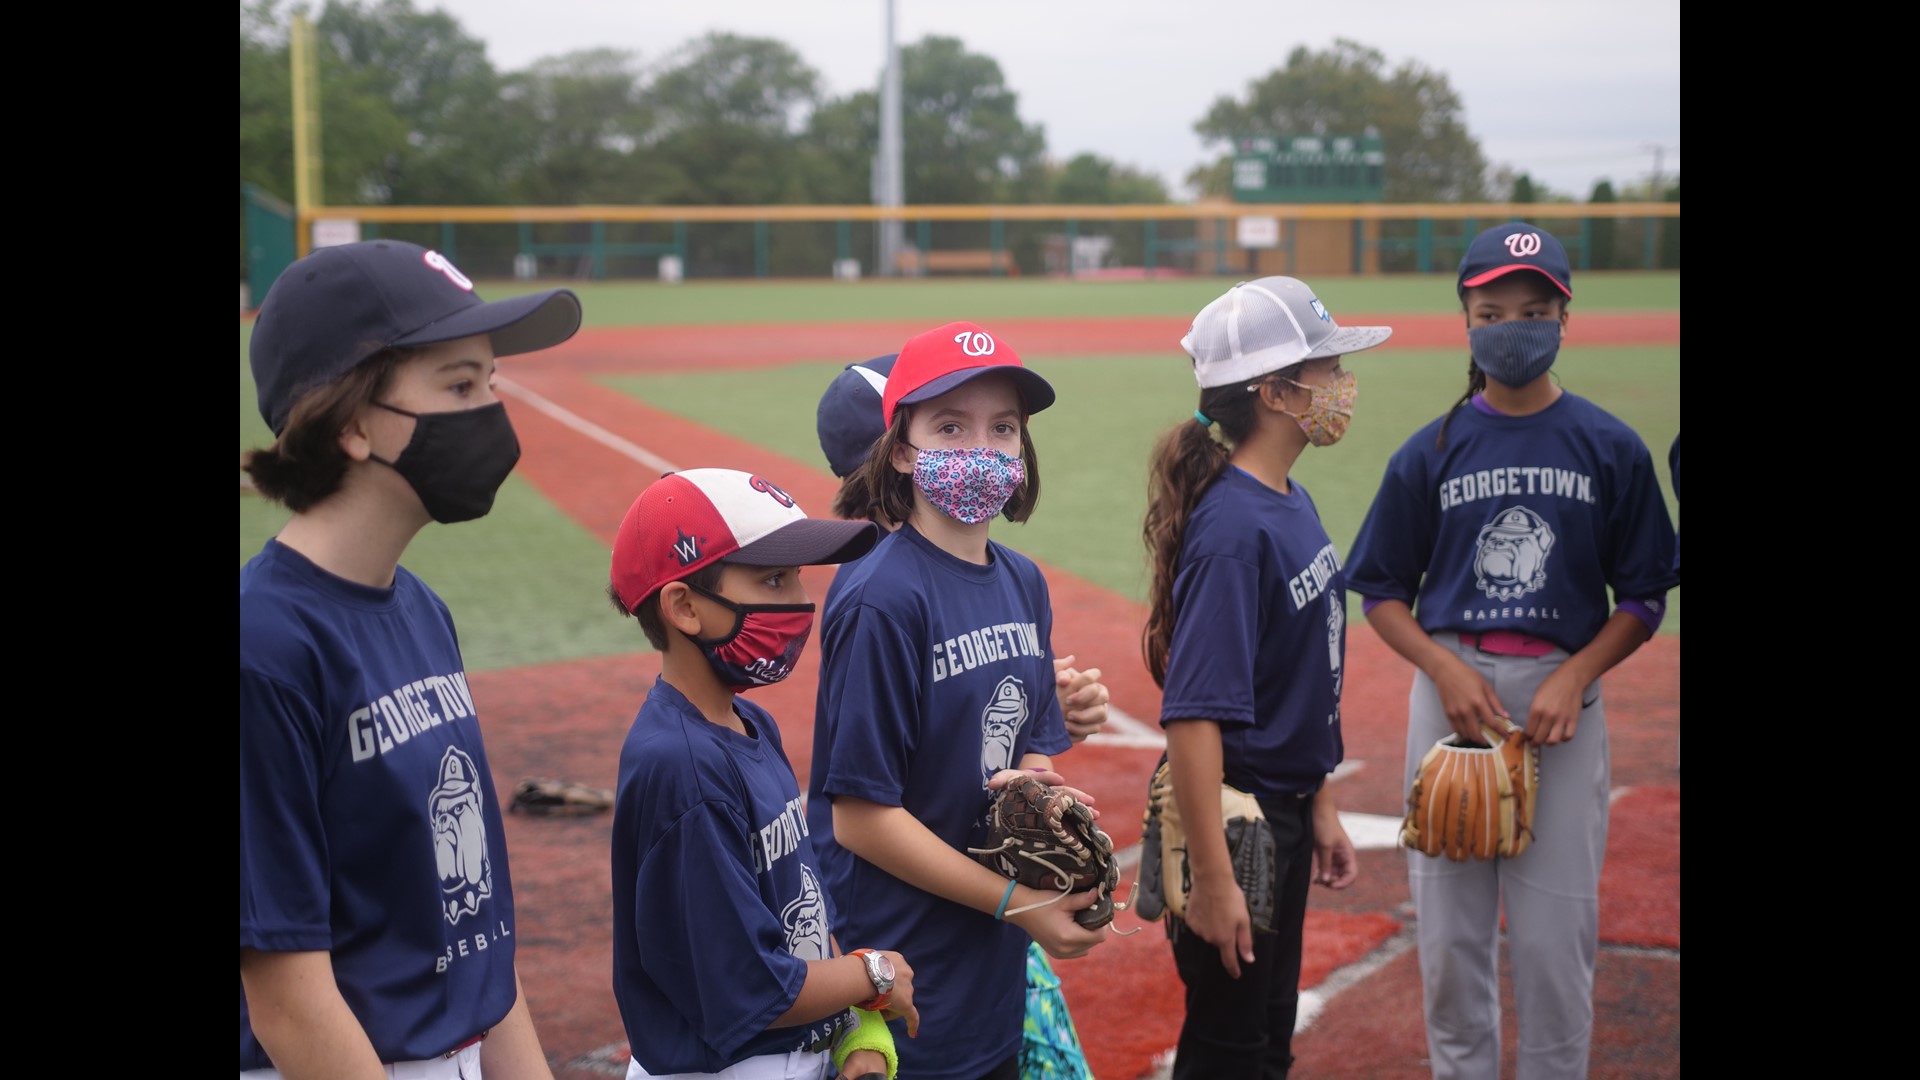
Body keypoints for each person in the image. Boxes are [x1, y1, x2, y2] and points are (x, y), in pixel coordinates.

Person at [239, 239, 584, 1077]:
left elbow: (478, 944)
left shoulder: (419, 606)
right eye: (459, 385)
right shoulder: (264, 644)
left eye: (490, 384)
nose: (491, 413)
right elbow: (288, 994)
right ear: (351, 422)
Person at [1344, 223, 1680, 1080]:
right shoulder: (1434, 449)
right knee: (1451, 942)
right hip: (1453, 694)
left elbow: (1643, 595)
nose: (1512, 326)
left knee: (1554, 940)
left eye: (1533, 309)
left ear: (1565, 314)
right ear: (1465, 316)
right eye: (1492, 310)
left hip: (1564, 700)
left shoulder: (1609, 447)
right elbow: (1381, 590)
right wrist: (1444, 666)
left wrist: (1577, 672)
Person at [806, 323, 1111, 1080]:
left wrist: (1040, 801)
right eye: (950, 425)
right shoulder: (883, 595)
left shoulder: (1022, 580)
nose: (982, 446)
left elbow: (1029, 745)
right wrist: (1018, 903)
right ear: (903, 450)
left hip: (988, 963)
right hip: (903, 969)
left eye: (1002, 428)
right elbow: (859, 818)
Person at [604, 467, 914, 1080]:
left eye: (798, 576)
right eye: (773, 579)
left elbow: (801, 908)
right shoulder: (683, 767)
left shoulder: (749, 722)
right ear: (685, 607)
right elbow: (746, 984)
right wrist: (873, 974)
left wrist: (856, 1028)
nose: (800, 601)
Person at [1140, 277, 1372, 1078]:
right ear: (1274, 392)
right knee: (1230, 1052)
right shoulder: (1234, 529)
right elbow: (1195, 716)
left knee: (1268, 1038)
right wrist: (1210, 879)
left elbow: (1299, 677)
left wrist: (1322, 802)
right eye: (1326, 367)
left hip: (1284, 812)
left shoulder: (1285, 496)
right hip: (1236, 831)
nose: (1341, 384)